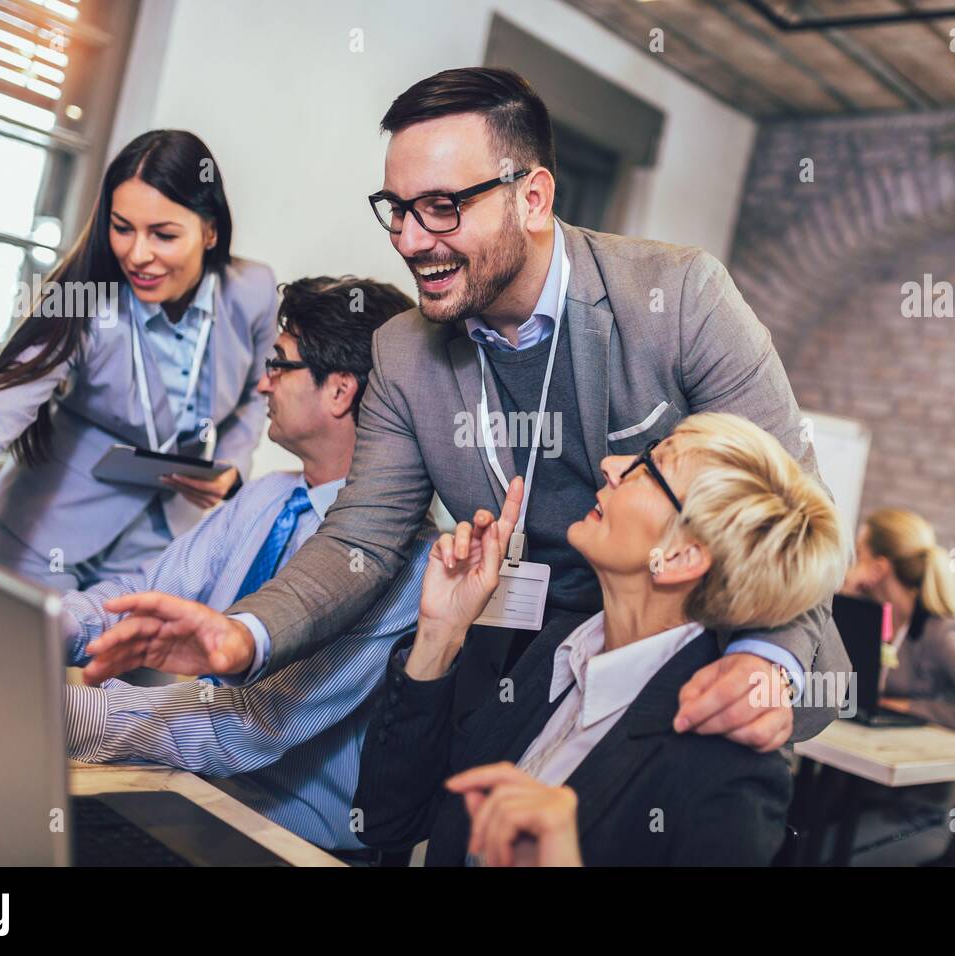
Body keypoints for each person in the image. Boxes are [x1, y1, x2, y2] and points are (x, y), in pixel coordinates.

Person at [80, 67, 850, 754]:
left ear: (534, 197)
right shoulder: (403, 354)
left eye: (443, 207)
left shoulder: (678, 300)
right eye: (397, 208)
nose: (412, 240)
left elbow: (787, 512)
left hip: (690, 685)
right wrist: (242, 633)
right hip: (516, 686)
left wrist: (767, 665)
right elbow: (362, 537)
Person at [353, 413, 846, 866]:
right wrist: (440, 633)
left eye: (650, 466)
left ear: (679, 556)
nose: (611, 465)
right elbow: (389, 821)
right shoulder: (557, 649)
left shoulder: (728, 768)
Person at [63, 276, 433, 858]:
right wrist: (47, 625)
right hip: (190, 795)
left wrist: (49, 710)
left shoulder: (407, 565)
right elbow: (144, 594)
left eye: (279, 364)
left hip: (287, 845)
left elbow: (244, 727)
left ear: (339, 392)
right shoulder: (268, 496)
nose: (262, 382)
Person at [0, 130, 276, 589]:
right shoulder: (83, 301)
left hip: (163, 539)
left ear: (210, 230)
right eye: (122, 228)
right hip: (43, 531)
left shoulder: (252, 291)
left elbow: (257, 392)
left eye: (163, 234)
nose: (137, 255)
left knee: (151, 662)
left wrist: (233, 467)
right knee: (20, 662)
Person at [830, 507, 955, 865]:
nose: (853, 563)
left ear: (881, 566)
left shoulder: (938, 633)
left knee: (821, 853)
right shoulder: (868, 615)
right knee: (785, 835)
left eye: (860, 554)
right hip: (856, 796)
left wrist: (906, 708)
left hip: (916, 816)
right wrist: (842, 593)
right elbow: (834, 687)